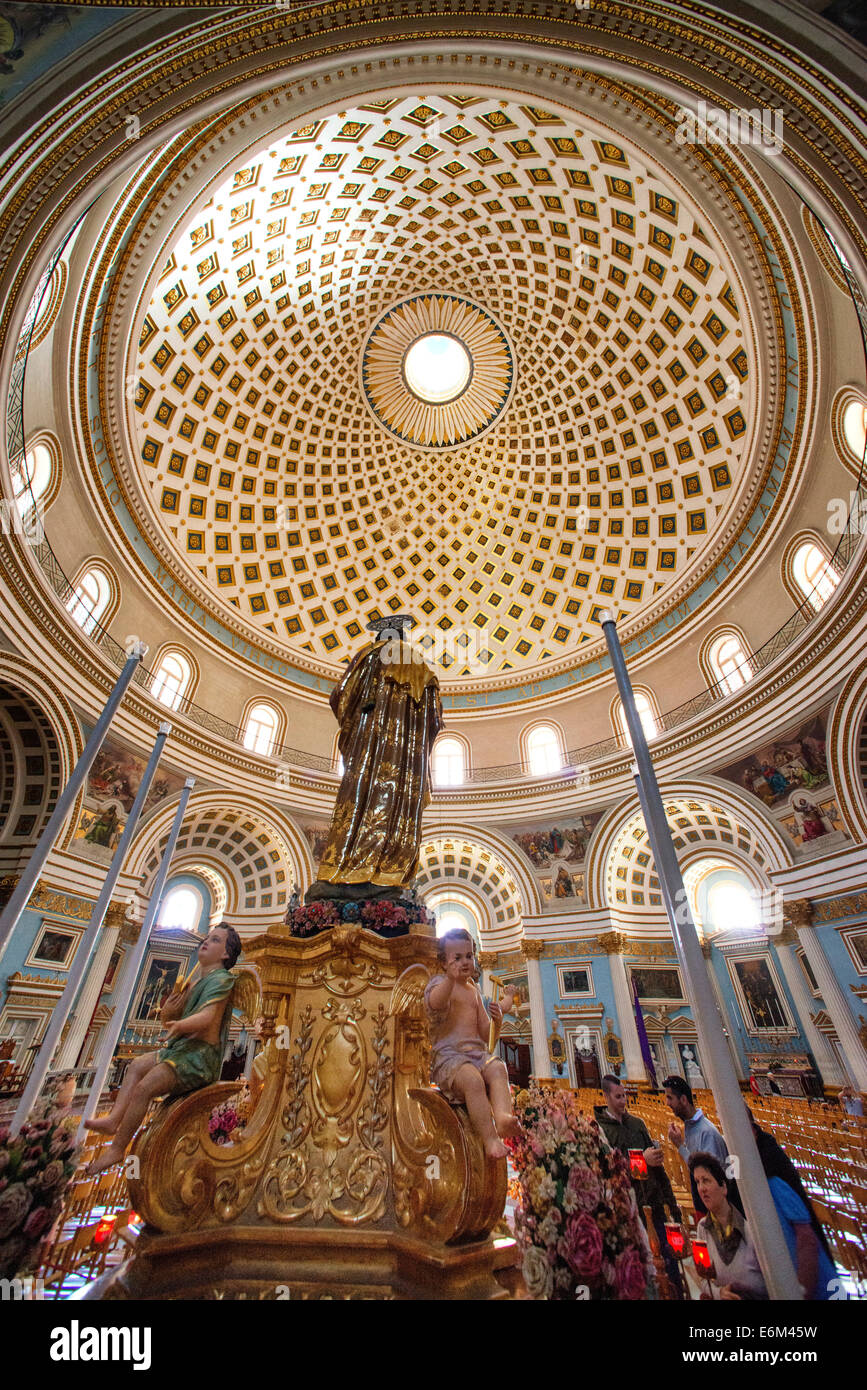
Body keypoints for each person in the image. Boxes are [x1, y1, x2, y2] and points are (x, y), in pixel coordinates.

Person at [84, 923, 242, 1175]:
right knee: (135, 1066)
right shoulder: (195, 982)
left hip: (199, 1057)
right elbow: (170, 1018)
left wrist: (179, 1024)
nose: (206, 942)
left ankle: (116, 1150)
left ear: (225, 954)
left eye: (215, 940)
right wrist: (169, 1013)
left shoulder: (221, 979)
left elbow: (208, 1018)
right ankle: (114, 1120)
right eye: (207, 937)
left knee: (146, 1087)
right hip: (182, 1048)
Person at [424, 927, 518, 1160]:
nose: (465, 962)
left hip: (477, 1054)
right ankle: (489, 1139)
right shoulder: (440, 984)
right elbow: (434, 1004)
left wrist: (497, 1021)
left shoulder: (474, 991)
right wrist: (449, 979)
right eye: (457, 958)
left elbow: (486, 1035)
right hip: (450, 1058)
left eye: (469, 956)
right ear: (443, 963)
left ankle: (504, 1118)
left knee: (498, 1068)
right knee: (474, 1081)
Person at [595, 1075, 685, 1297]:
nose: (623, 1101)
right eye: (618, 1097)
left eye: (624, 1095)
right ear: (606, 1096)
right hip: (627, 1208)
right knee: (641, 1271)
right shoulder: (599, 1130)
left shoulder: (637, 1124)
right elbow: (606, 1172)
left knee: (668, 1263)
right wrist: (641, 1160)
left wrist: (672, 1206)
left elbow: (660, 1171)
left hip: (653, 1203)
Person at [690, 1153, 767, 1300]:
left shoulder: (750, 1229)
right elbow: (703, 1278)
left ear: (723, 1187)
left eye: (706, 1180)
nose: (701, 1188)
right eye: (697, 1182)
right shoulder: (703, 1228)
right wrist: (719, 1293)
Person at [663, 1074, 743, 1215]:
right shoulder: (690, 1127)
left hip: (716, 1207)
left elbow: (707, 1175)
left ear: (683, 1099)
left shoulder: (706, 1132)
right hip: (704, 1202)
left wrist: (680, 1146)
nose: (667, 1103)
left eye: (670, 1098)